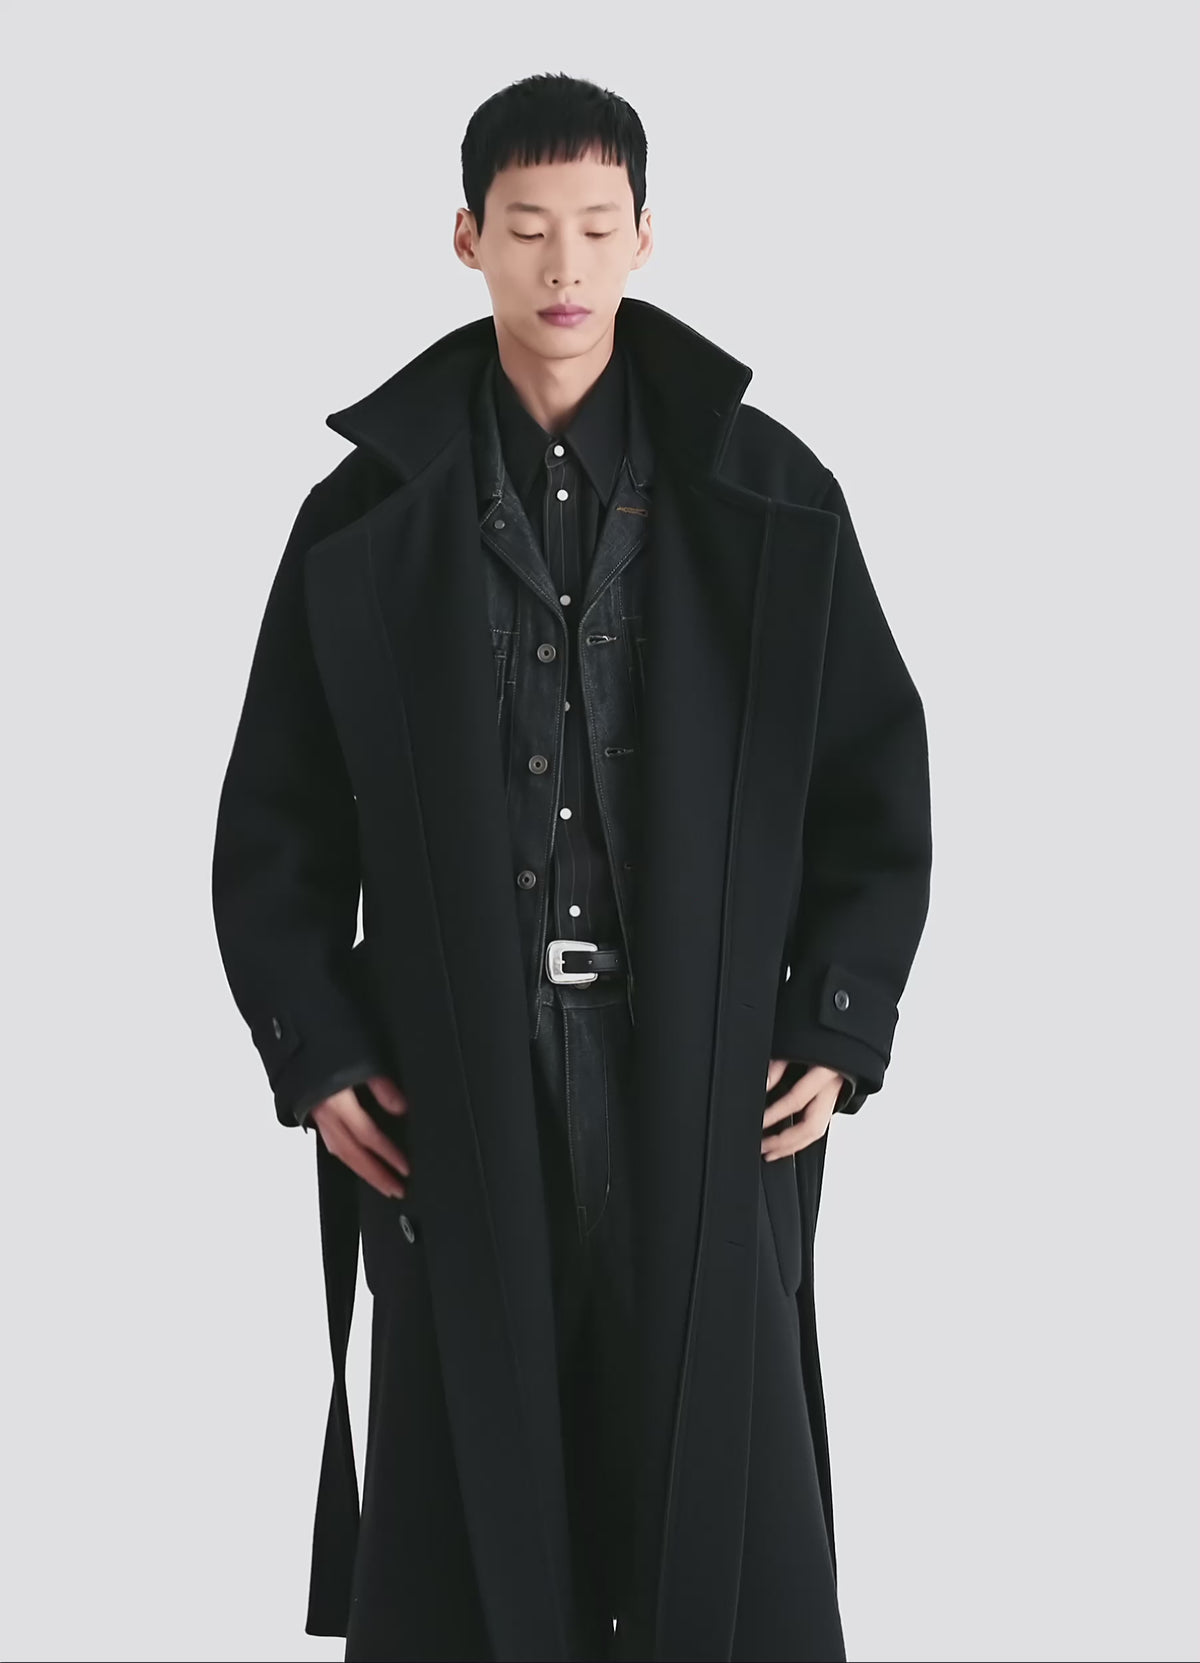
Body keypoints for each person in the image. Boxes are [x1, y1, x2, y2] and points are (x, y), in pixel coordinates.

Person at [212, 70, 932, 1663]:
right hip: (458, 1083)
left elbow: (874, 775)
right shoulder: (363, 521)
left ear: (646, 238)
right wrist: (316, 1049)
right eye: (529, 227)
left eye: (598, 227)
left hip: (702, 1080)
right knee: (477, 1517)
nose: (565, 265)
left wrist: (837, 1019)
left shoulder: (768, 496)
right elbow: (274, 818)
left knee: (722, 1517)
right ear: (467, 238)